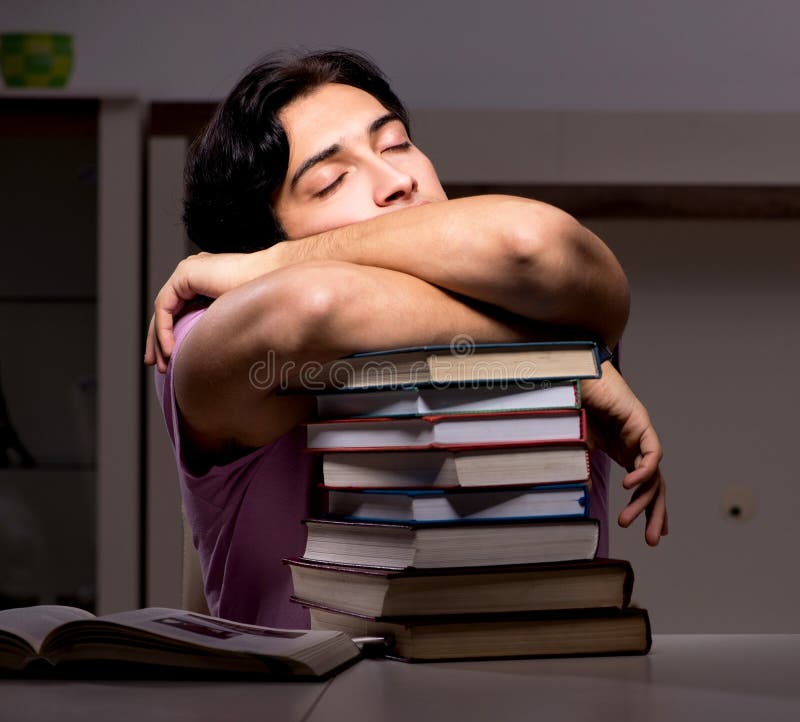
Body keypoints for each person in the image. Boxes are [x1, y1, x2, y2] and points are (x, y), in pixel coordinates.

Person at [145, 49, 667, 628]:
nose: (398, 180)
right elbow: (315, 309)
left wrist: (272, 261)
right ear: (254, 236)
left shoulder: (542, 292)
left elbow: (528, 243)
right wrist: (560, 361)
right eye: (331, 180)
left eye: (395, 144)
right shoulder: (200, 330)